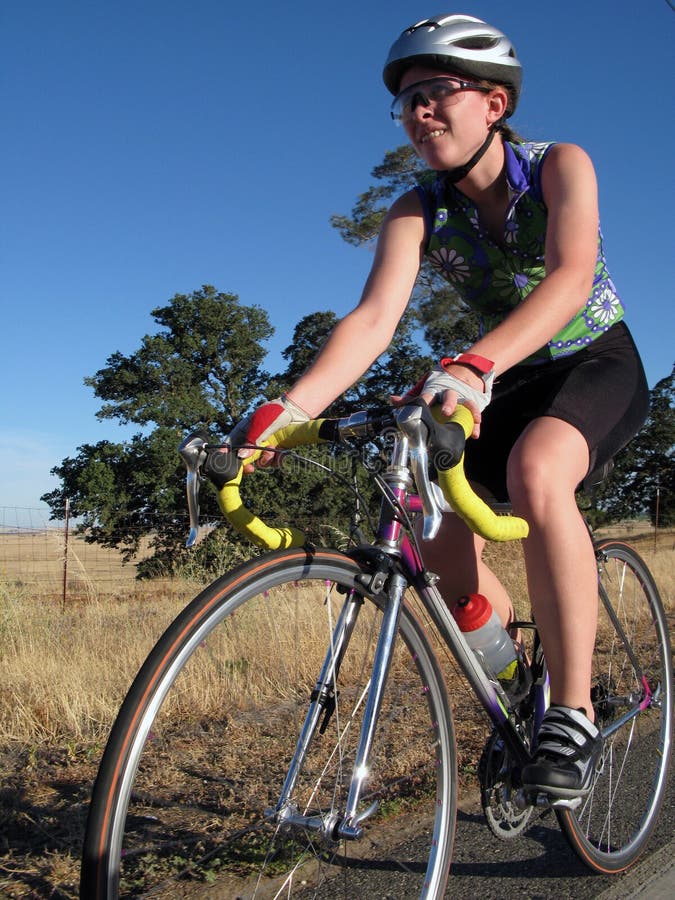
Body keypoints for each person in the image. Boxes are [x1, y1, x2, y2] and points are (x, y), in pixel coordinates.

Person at [230, 13, 649, 800]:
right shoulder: (415, 207)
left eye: (435, 94)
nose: (418, 114)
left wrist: (472, 362)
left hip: (590, 357)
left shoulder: (556, 165)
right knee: (438, 541)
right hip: (499, 377)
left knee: (536, 470)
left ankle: (572, 708)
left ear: (493, 103)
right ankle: (518, 679)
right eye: (406, 102)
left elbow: (567, 277)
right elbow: (372, 320)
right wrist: (279, 417)